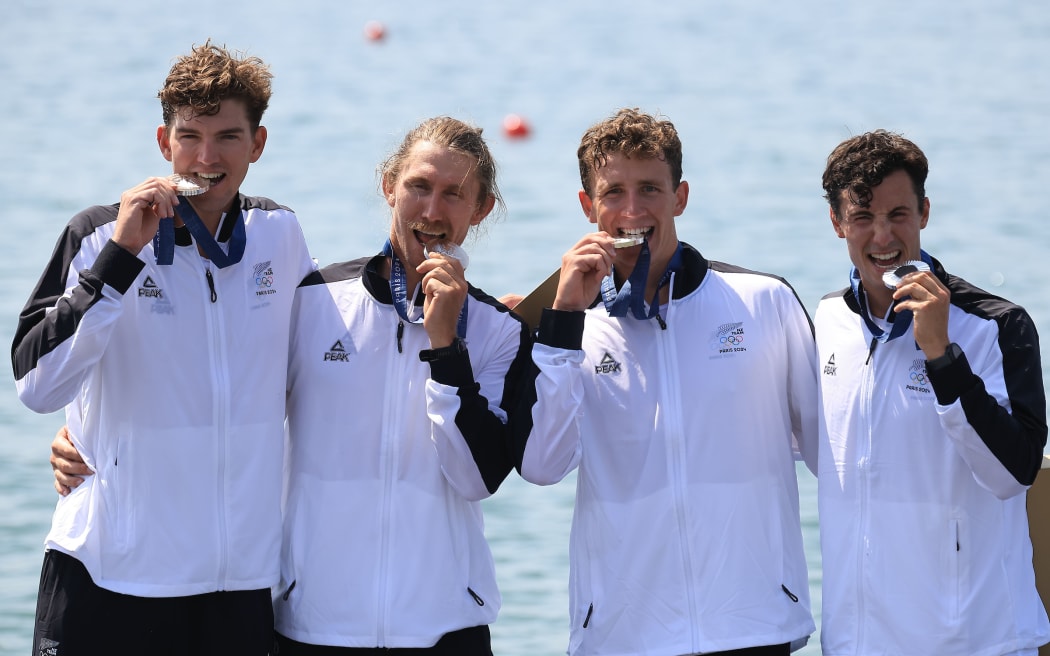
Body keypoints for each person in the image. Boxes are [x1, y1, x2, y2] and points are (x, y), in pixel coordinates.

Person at [50, 116, 532, 654]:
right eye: (418, 186)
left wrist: (445, 350)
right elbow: (221, 390)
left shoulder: (500, 329)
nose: (432, 211)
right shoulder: (314, 300)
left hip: (445, 627)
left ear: (482, 208)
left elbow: (476, 477)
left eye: (454, 195)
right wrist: (86, 433)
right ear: (389, 185)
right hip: (310, 625)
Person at [13, 41, 315, 655]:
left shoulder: (279, 235)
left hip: (239, 584)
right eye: (190, 135)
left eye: (228, 137)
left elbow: (323, 370)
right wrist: (120, 261)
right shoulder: (100, 234)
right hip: (111, 574)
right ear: (163, 141)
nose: (207, 157)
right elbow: (37, 385)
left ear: (258, 144)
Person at [513, 108, 818, 655]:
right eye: (614, 193)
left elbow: (828, 449)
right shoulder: (564, 323)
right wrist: (560, 322)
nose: (633, 209)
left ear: (680, 196)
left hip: (752, 624)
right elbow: (541, 466)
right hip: (624, 635)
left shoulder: (763, 300)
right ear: (587, 206)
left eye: (650, 188)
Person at [813, 129, 1049, 655]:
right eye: (862, 218)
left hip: (975, 640)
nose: (881, 238)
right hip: (857, 641)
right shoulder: (828, 319)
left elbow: (1016, 473)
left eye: (897, 214)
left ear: (924, 211)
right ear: (837, 223)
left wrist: (942, 355)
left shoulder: (997, 325)